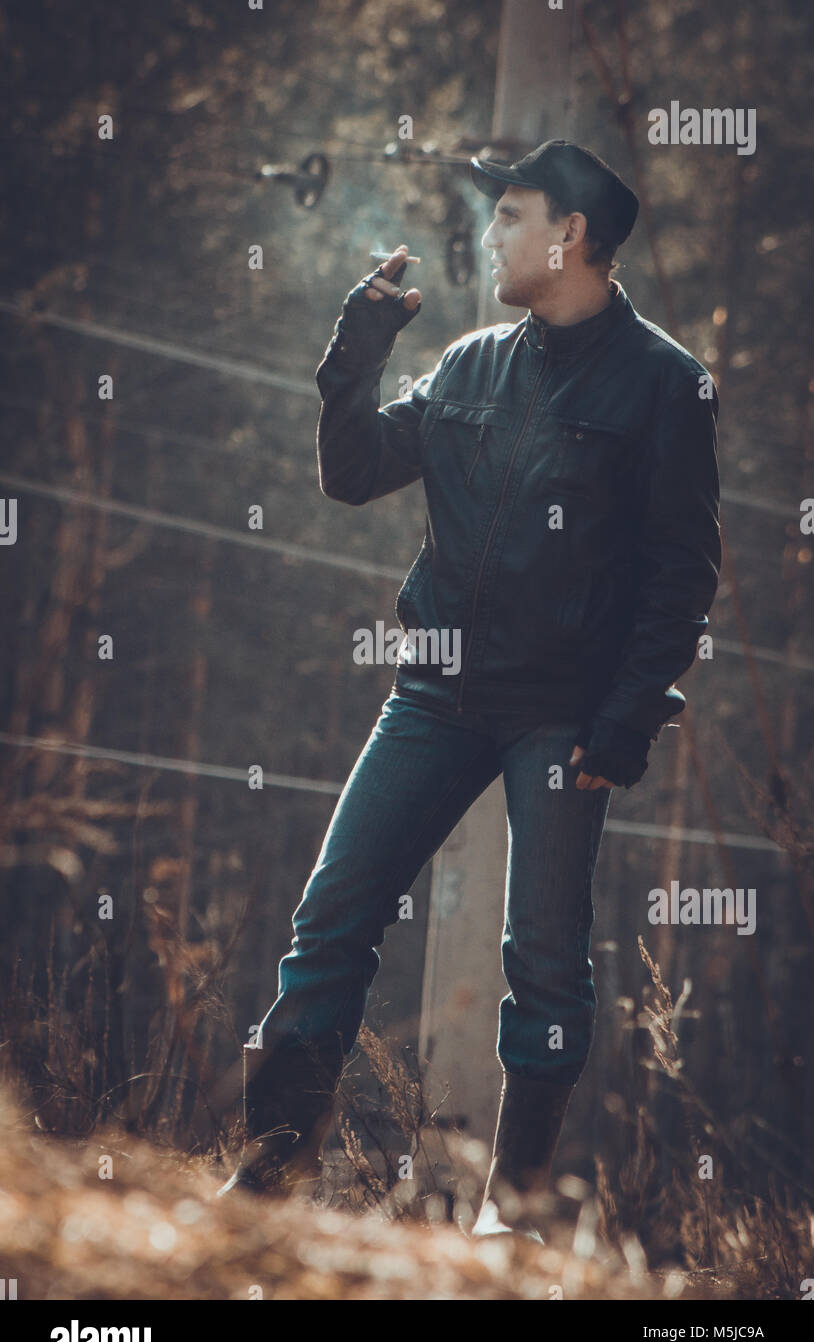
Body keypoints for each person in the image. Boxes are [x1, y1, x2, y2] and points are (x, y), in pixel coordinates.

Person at [217, 140, 721, 1239]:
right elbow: (352, 473)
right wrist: (358, 345)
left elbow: (682, 571)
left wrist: (626, 716)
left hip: (563, 713)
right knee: (331, 917)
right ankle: (271, 1169)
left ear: (569, 235)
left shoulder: (664, 383)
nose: (491, 236)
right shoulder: (468, 362)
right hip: (432, 694)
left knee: (541, 962)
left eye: (511, 218)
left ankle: (518, 1210)